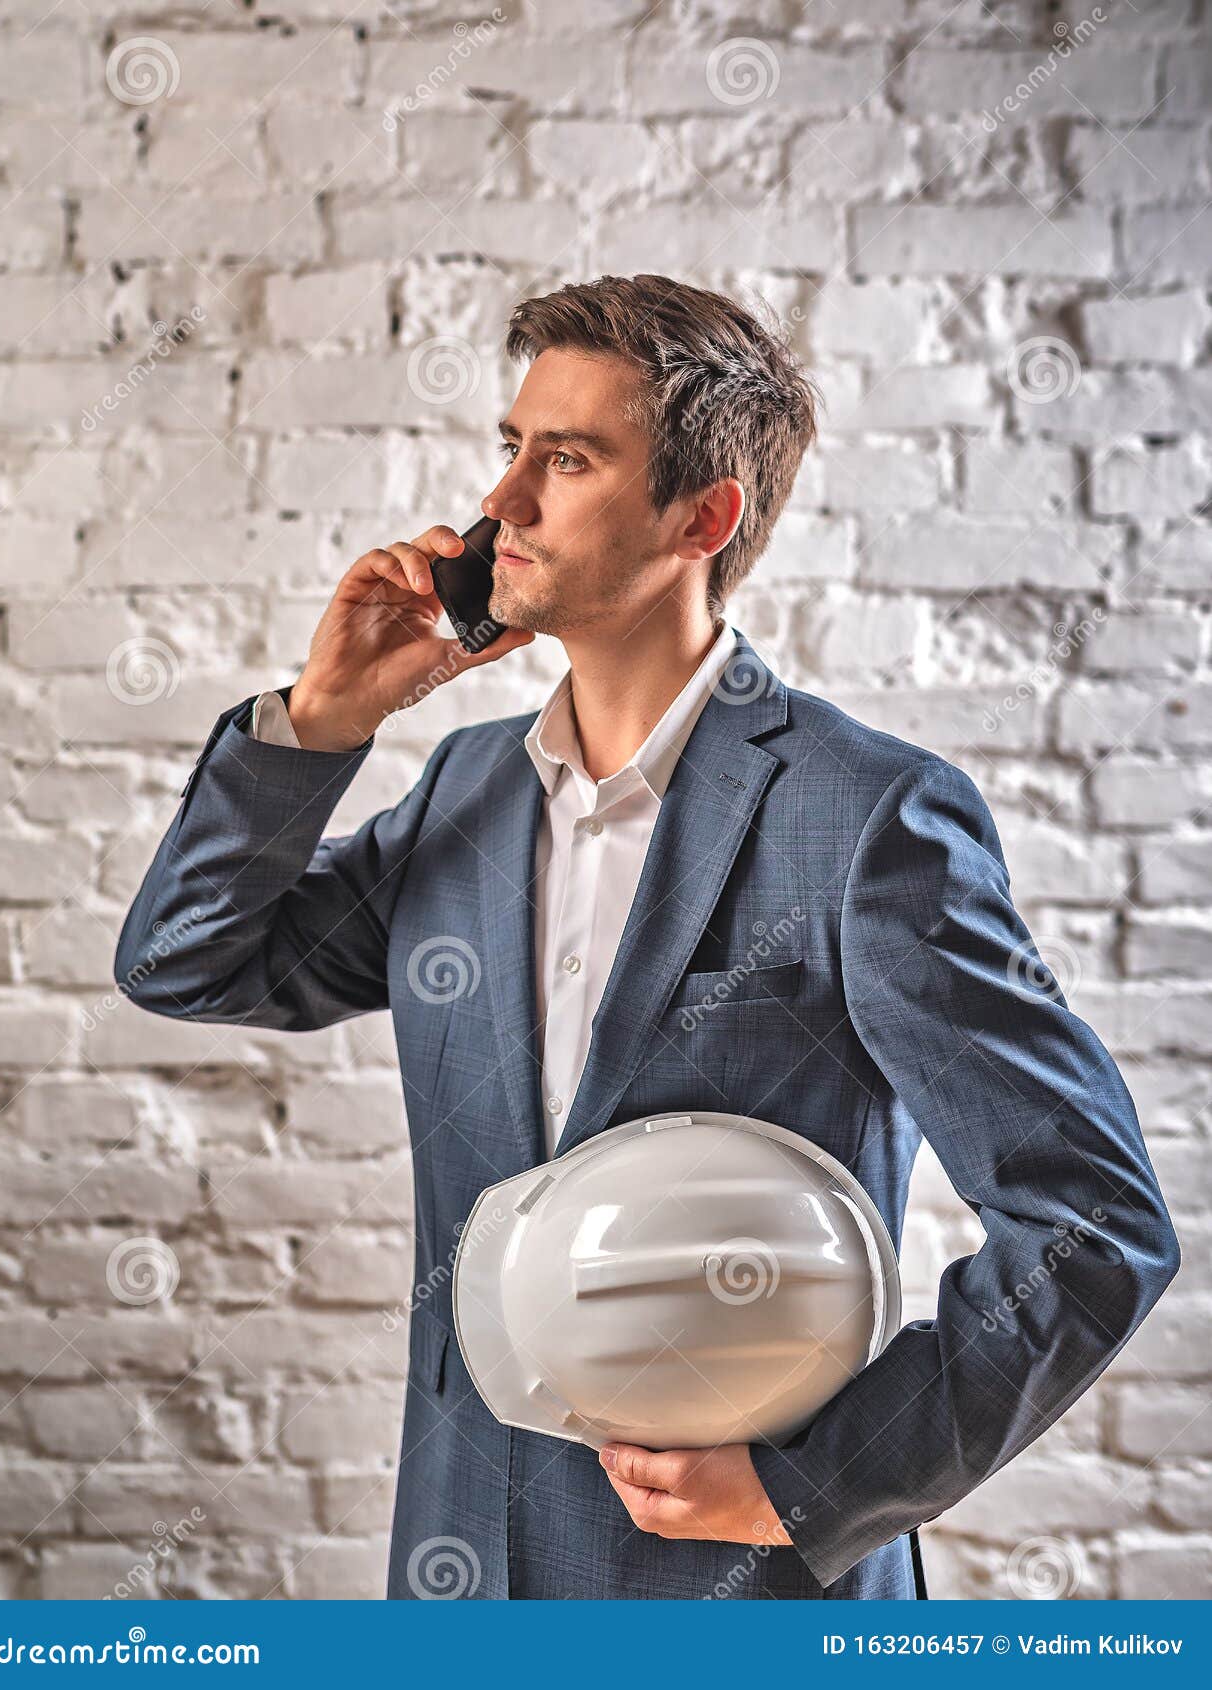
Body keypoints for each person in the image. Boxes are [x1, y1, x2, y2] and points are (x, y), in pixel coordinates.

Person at [115, 273, 1180, 1601]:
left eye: (565, 459)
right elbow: (188, 960)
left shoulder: (866, 817)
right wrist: (320, 720)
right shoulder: (468, 792)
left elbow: (1091, 1216)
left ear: (703, 513)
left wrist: (822, 1480)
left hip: (744, 1598)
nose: (500, 500)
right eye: (510, 449)